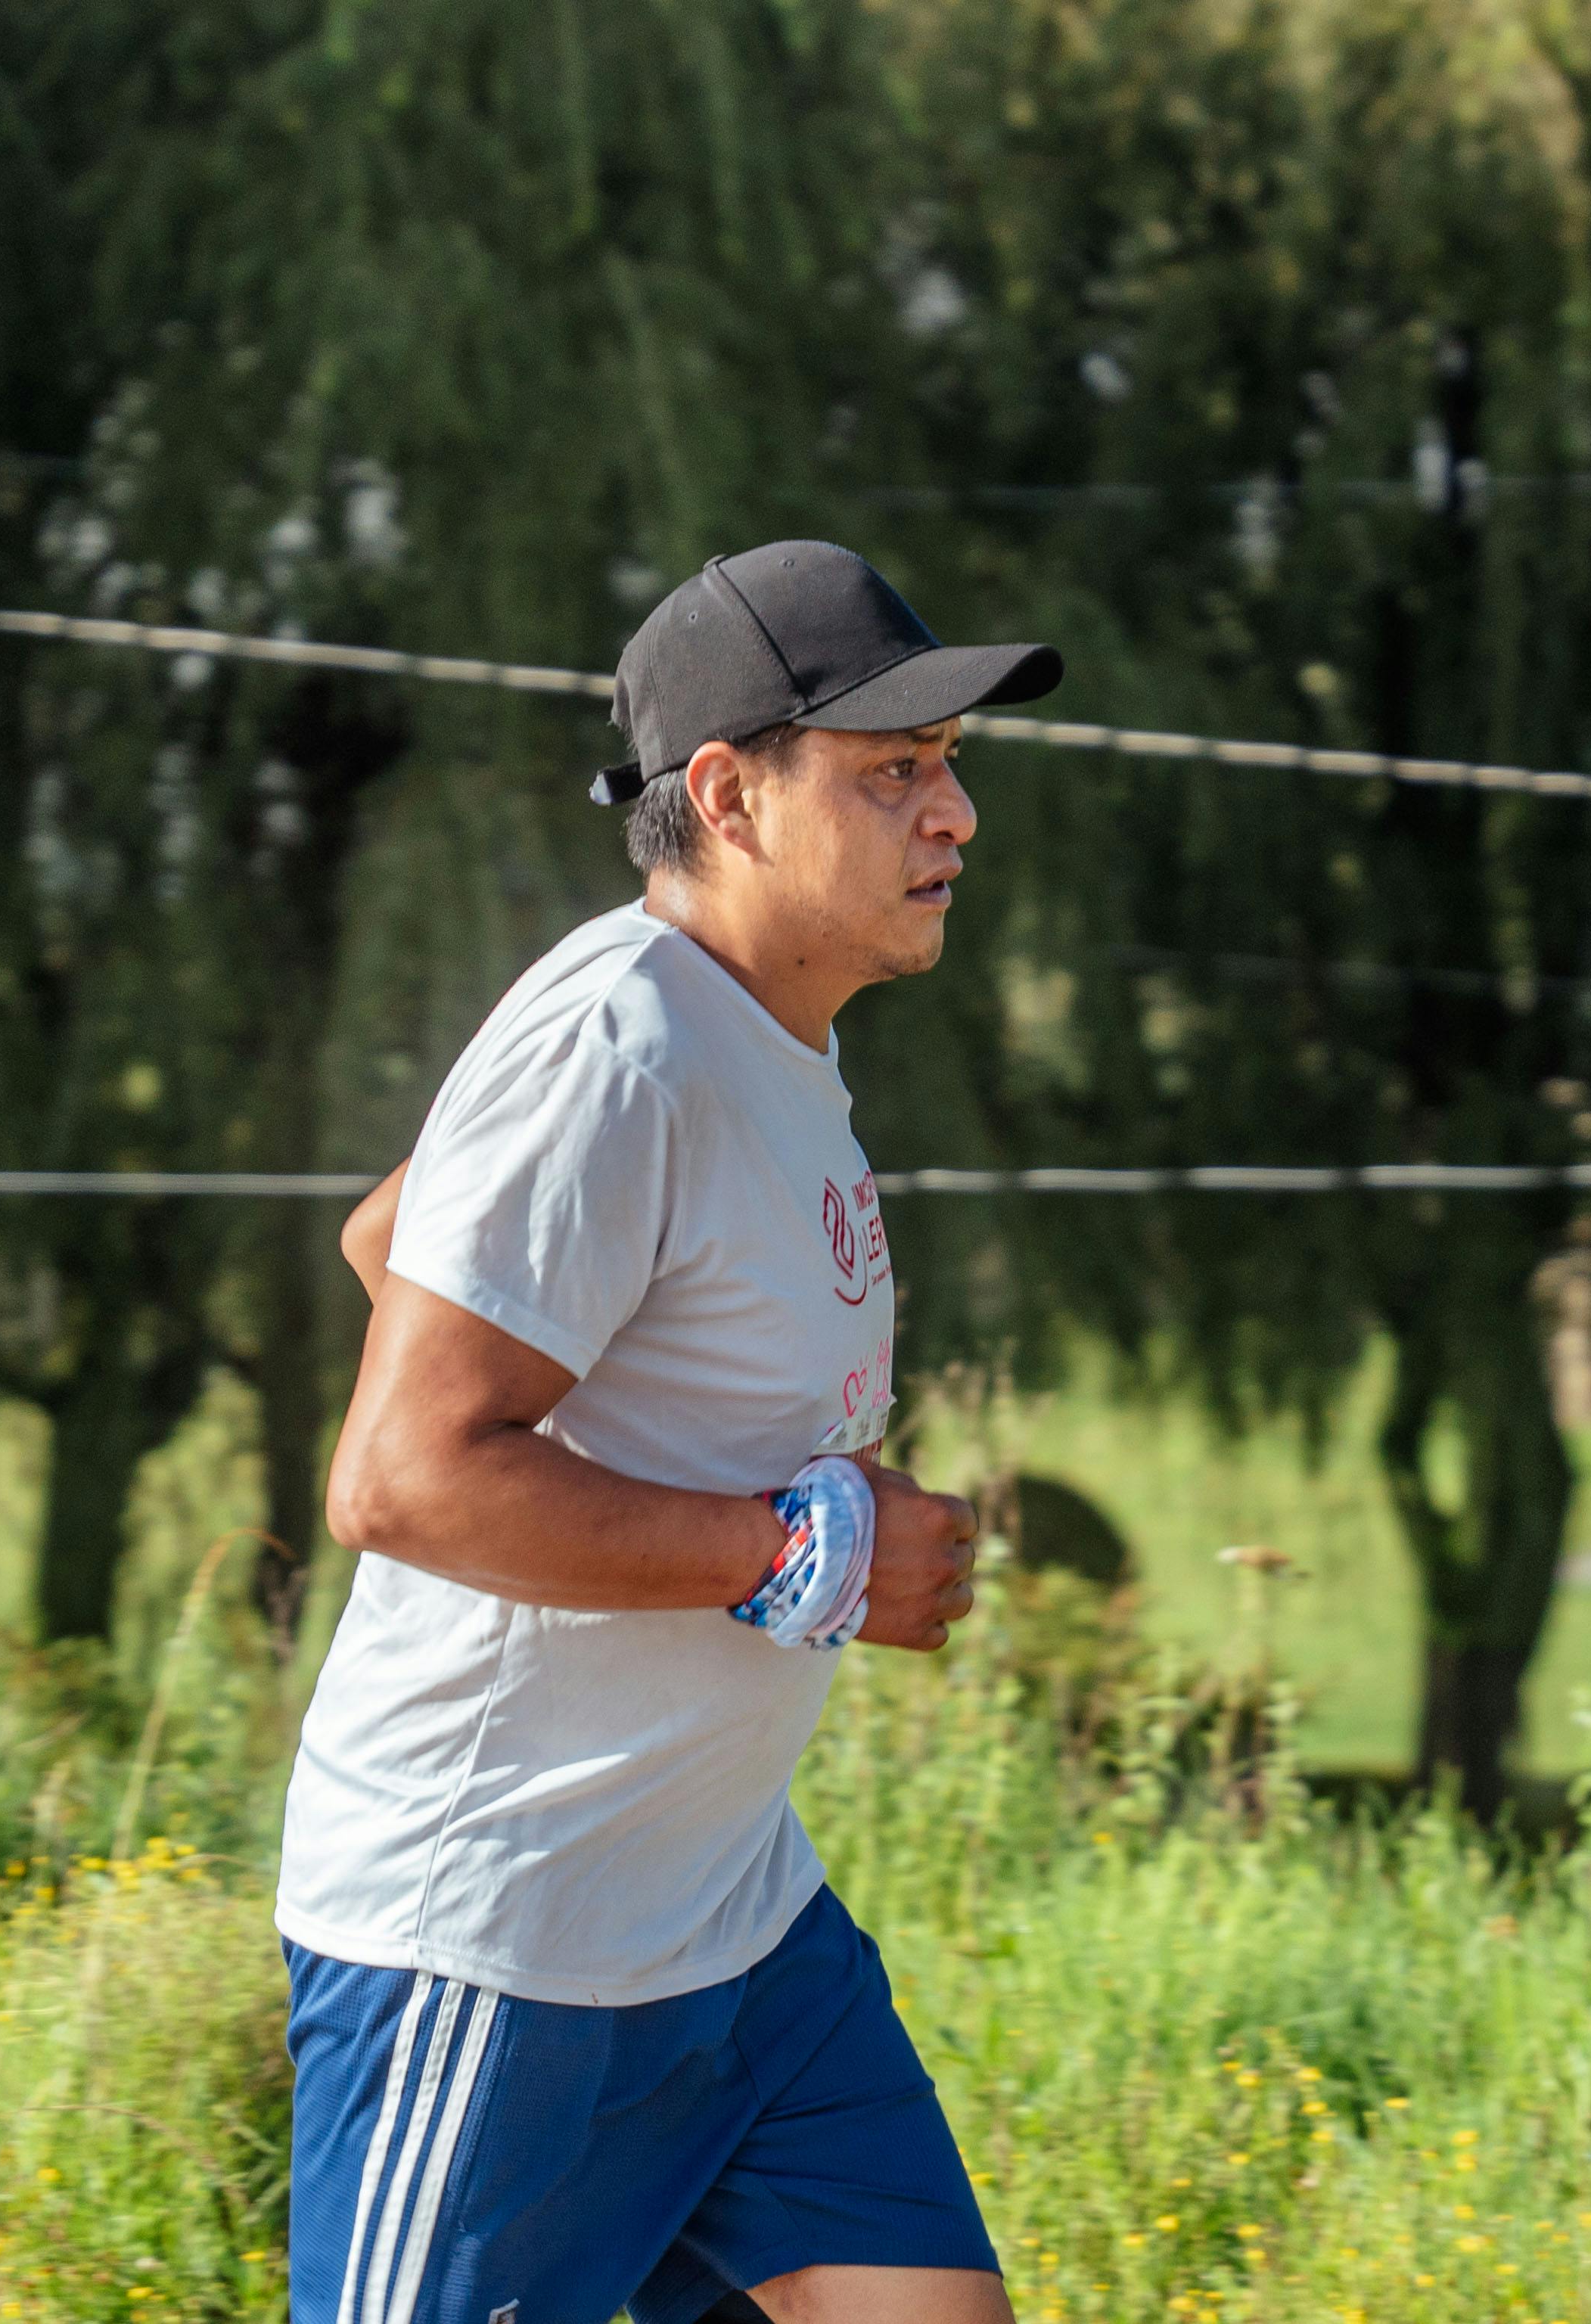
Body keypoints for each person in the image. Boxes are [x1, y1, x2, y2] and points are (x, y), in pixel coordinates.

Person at [275, 542, 1063, 2324]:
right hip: (501, 1944)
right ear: (725, 793)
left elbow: (395, 1236)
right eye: (893, 772)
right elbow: (401, 1480)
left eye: (948, 766)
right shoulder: (623, 1041)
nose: (952, 816)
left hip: (731, 1930)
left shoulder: (749, 1037)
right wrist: (810, 1554)